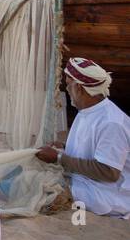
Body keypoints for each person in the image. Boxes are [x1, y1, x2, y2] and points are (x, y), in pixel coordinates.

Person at [36, 58, 129, 217]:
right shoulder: (89, 110)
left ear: (79, 87)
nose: (67, 89)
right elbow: (92, 148)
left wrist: (58, 157)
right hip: (84, 181)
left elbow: (109, 172)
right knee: (31, 173)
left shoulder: (112, 123)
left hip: (105, 193)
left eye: (68, 85)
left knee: (38, 187)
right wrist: (64, 147)